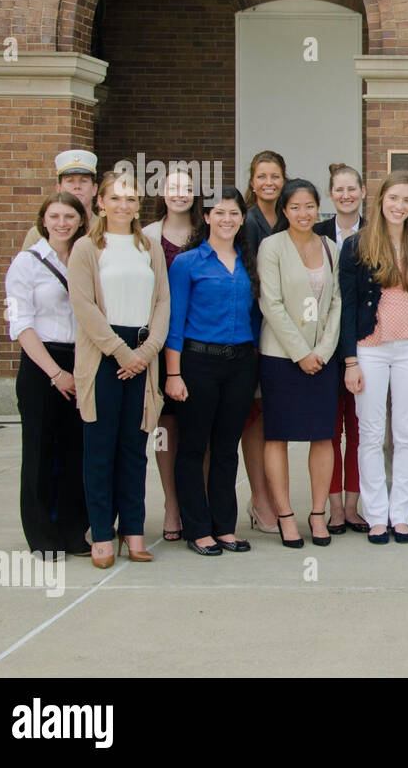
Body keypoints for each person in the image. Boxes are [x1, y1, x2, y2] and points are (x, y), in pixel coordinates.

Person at [67, 170, 170, 568]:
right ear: (101, 203)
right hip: (103, 356)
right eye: (116, 198)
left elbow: (162, 301)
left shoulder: (150, 247)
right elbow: (84, 307)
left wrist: (145, 351)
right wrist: (121, 353)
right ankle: (102, 536)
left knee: (134, 451)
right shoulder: (87, 249)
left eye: (130, 199)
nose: (123, 206)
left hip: (143, 354)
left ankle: (134, 531)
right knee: (99, 451)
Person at [340, 171, 408, 544]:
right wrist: (350, 361)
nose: (399, 206)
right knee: (369, 434)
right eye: (393, 198)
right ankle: (376, 515)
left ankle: (401, 515)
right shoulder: (357, 246)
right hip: (370, 348)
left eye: (406, 201)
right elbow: (348, 307)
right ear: (380, 200)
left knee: (406, 434)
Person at [164, 187, 260, 556]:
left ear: (241, 219)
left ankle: (224, 527)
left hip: (239, 365)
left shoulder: (246, 261)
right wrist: (173, 375)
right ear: (205, 217)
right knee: (192, 447)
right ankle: (197, 528)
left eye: (233, 213)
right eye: (218, 213)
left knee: (226, 449)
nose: (226, 220)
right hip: (197, 362)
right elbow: (175, 322)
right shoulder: (187, 263)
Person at [258, 178, 342, 548]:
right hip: (281, 357)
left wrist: (321, 351)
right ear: (284, 211)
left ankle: (318, 513)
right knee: (277, 435)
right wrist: (301, 353)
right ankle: (286, 515)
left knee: (323, 435)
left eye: (310, 206)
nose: (303, 214)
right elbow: (271, 303)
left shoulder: (330, 248)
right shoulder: (271, 246)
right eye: (295, 207)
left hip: (323, 359)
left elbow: (338, 302)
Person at [7, 192, 90, 557]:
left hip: (83, 360)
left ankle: (74, 531)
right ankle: (42, 535)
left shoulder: (88, 256)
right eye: (54, 217)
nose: (62, 223)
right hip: (43, 364)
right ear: (44, 221)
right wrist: (56, 374)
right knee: (41, 452)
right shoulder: (26, 263)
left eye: (69, 216)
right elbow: (21, 324)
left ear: (80, 220)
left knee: (77, 451)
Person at [143, 168, 202, 542]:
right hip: (158, 341)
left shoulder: (205, 233)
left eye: (187, 189)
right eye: (173, 188)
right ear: (163, 193)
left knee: (199, 428)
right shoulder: (147, 235)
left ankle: (200, 501)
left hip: (198, 342)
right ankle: (171, 503)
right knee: (165, 428)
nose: (180, 194)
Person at [315, 162, 368, 534]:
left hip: (365, 343)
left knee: (361, 430)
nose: (346, 195)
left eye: (353, 189)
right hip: (323, 345)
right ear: (331, 195)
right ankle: (333, 508)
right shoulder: (314, 233)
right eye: (339, 189)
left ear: (363, 192)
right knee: (328, 430)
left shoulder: (376, 232)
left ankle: (353, 506)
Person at [240, 150, 287, 535]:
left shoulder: (291, 217)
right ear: (252, 181)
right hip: (252, 328)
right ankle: (260, 499)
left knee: (275, 417)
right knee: (253, 417)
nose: (269, 182)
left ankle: (275, 495)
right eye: (262, 176)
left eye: (275, 176)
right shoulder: (242, 220)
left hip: (285, 332)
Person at [21, 150, 98, 250]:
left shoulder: (105, 229)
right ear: (58, 189)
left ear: (94, 189)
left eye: (84, 181)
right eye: (70, 181)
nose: (77, 186)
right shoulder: (38, 233)